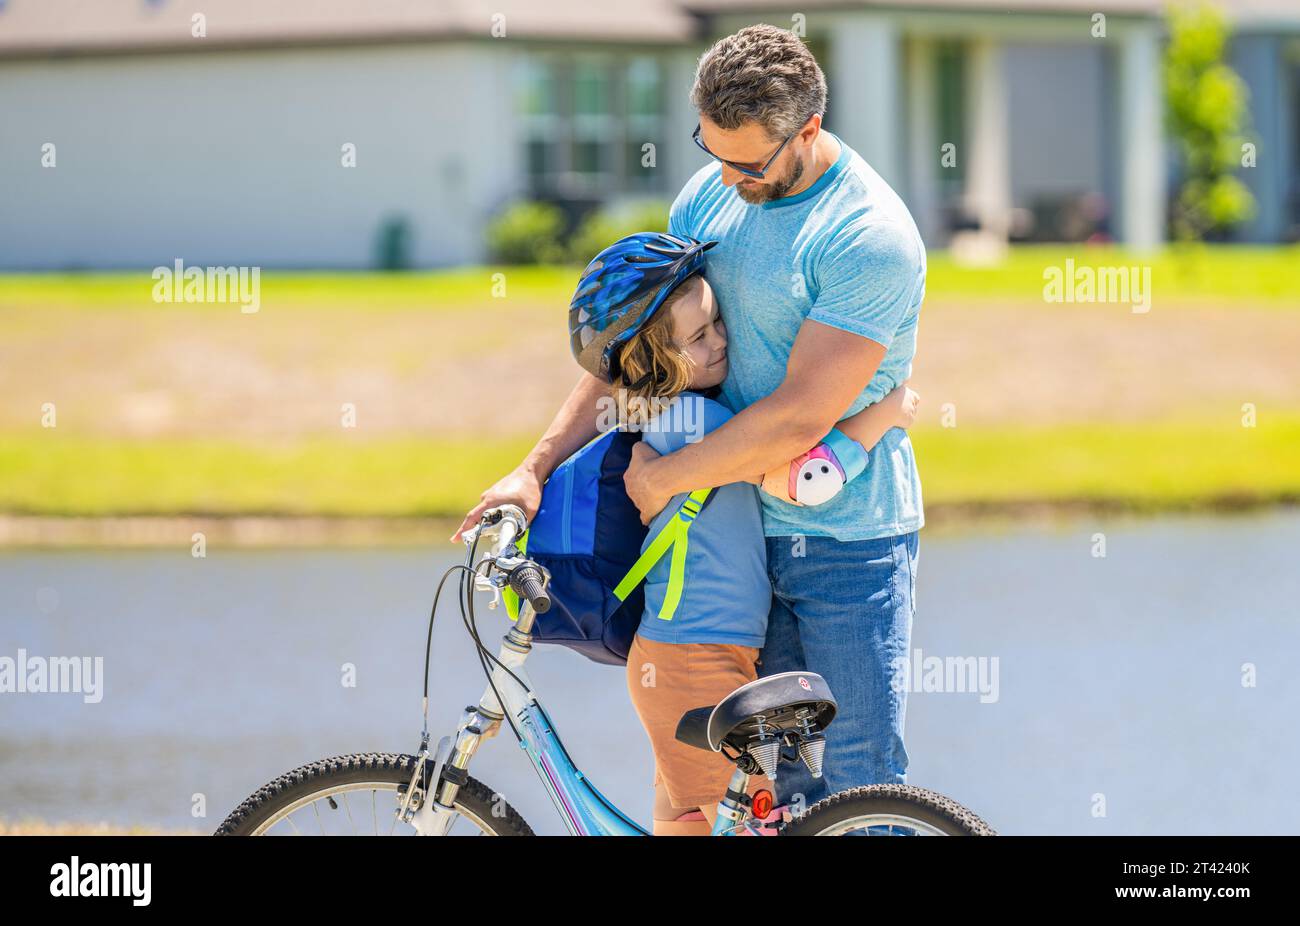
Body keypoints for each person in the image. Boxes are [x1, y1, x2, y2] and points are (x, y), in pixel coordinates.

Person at [457, 24, 926, 812]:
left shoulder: (867, 238)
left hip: (843, 544)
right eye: (711, 151)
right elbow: (633, 359)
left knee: (856, 786)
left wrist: (664, 479)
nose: (725, 176)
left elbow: (796, 419)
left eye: (747, 162)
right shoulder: (712, 192)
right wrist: (532, 471)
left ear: (807, 130)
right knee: (768, 802)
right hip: (731, 550)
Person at [559, 231, 917, 835]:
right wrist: (885, 414)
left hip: (677, 655)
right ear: (657, 360)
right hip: (699, 661)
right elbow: (801, 480)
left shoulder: (665, 415)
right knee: (753, 825)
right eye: (698, 338)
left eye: (718, 323)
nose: (721, 340)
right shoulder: (703, 421)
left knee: (687, 824)